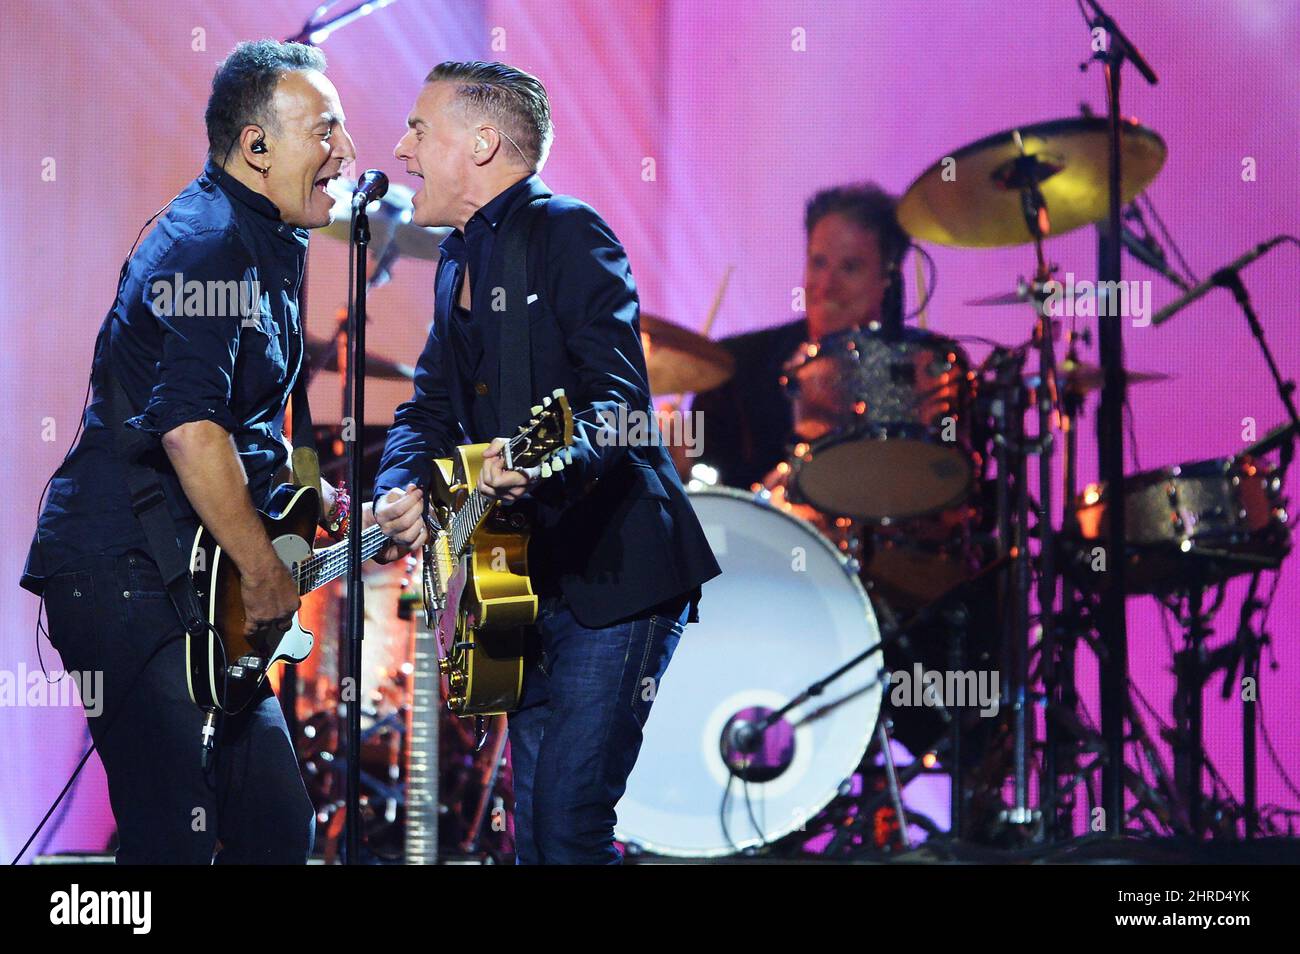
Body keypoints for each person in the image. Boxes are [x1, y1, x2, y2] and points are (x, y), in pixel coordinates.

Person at [372, 60, 721, 865]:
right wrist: (398, 486)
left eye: (420, 129)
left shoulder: (569, 233)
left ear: (482, 144)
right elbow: (427, 409)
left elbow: (621, 406)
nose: (401, 148)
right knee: (534, 831)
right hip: (516, 577)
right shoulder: (457, 261)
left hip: (614, 574)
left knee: (568, 824)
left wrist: (546, 462)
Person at [20, 40, 357, 864]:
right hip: (122, 572)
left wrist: (313, 499)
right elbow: (190, 429)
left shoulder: (266, 242)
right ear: (257, 145)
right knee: (173, 830)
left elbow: (251, 426)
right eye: (327, 130)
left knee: (274, 826)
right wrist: (266, 570)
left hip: (189, 579)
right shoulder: (207, 244)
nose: (347, 151)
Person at [689, 183, 909, 490]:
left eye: (849, 267)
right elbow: (708, 489)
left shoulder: (916, 373)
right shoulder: (735, 368)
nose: (826, 285)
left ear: (887, 276)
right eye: (818, 263)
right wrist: (676, 464)